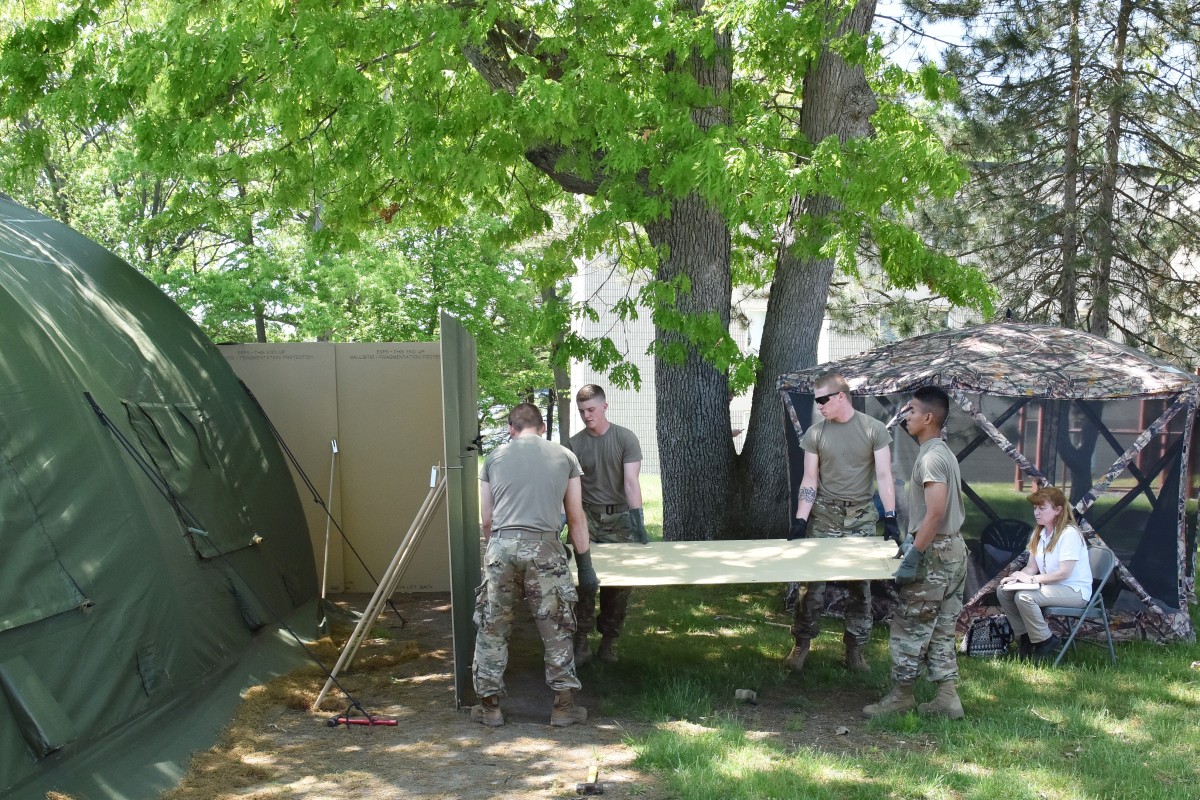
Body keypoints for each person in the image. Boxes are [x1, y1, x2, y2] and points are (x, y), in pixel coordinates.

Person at [471, 403, 600, 728]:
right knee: (556, 628)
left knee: (492, 628)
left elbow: (486, 519)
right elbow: (575, 517)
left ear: (511, 430)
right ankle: (562, 708)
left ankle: (490, 708)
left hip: (501, 546)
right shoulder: (564, 457)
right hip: (545, 547)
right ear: (542, 428)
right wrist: (585, 566)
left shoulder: (494, 459)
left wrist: (497, 550)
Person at [784, 372, 900, 675]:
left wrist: (890, 516)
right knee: (812, 586)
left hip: (861, 517)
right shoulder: (816, 433)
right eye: (815, 400)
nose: (819, 405)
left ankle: (855, 650)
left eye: (823, 399)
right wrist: (800, 520)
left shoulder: (873, 429)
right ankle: (801, 644)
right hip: (824, 515)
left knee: (860, 587)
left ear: (840, 397)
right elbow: (809, 479)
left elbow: (884, 476)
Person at [864, 386, 968, 720]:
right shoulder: (942, 453)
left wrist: (914, 555)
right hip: (952, 551)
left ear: (928, 417)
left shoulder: (933, 457)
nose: (905, 416)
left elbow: (935, 513)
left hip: (935, 554)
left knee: (909, 625)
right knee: (941, 627)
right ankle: (947, 698)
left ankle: (901, 697)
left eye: (910, 410)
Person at [567, 384, 650, 665]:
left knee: (619, 585)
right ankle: (580, 641)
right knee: (582, 584)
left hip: (620, 520)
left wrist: (638, 521)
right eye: (581, 411)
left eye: (591, 409)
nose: (586, 416)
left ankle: (609, 642)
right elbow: (569, 490)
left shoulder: (625, 438)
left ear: (604, 406)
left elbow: (630, 482)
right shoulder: (573, 445)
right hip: (586, 519)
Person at [997, 485, 1093, 662]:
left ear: (1057, 510)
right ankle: (1025, 638)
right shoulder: (1038, 533)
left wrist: (1031, 579)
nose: (1037, 513)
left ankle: (1045, 641)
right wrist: (1016, 577)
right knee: (1003, 591)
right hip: (1051, 586)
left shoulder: (1069, 534)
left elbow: (1064, 573)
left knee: (1025, 597)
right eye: (1035, 508)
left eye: (1042, 508)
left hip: (1074, 591)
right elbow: (1031, 567)